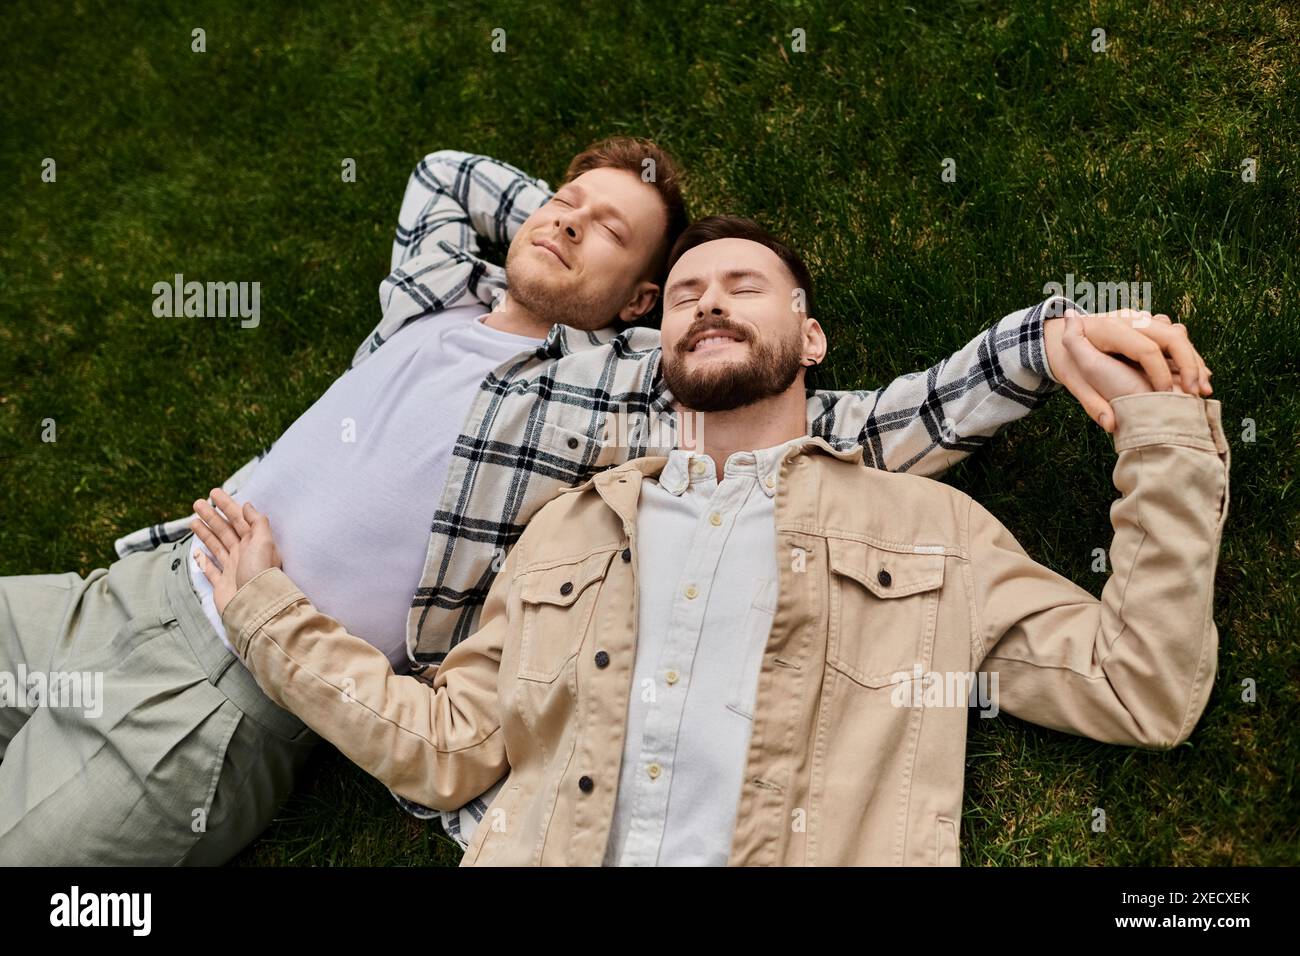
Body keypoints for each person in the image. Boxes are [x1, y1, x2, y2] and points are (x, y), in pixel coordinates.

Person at [0, 138, 1212, 864]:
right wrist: (581, 212)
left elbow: (906, 414)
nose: (569, 226)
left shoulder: (624, 402)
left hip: (223, 695)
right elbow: (438, 176)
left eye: (613, 241)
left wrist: (1047, 337)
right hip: (124, 590)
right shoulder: (434, 314)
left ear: (642, 312)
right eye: (561, 210)